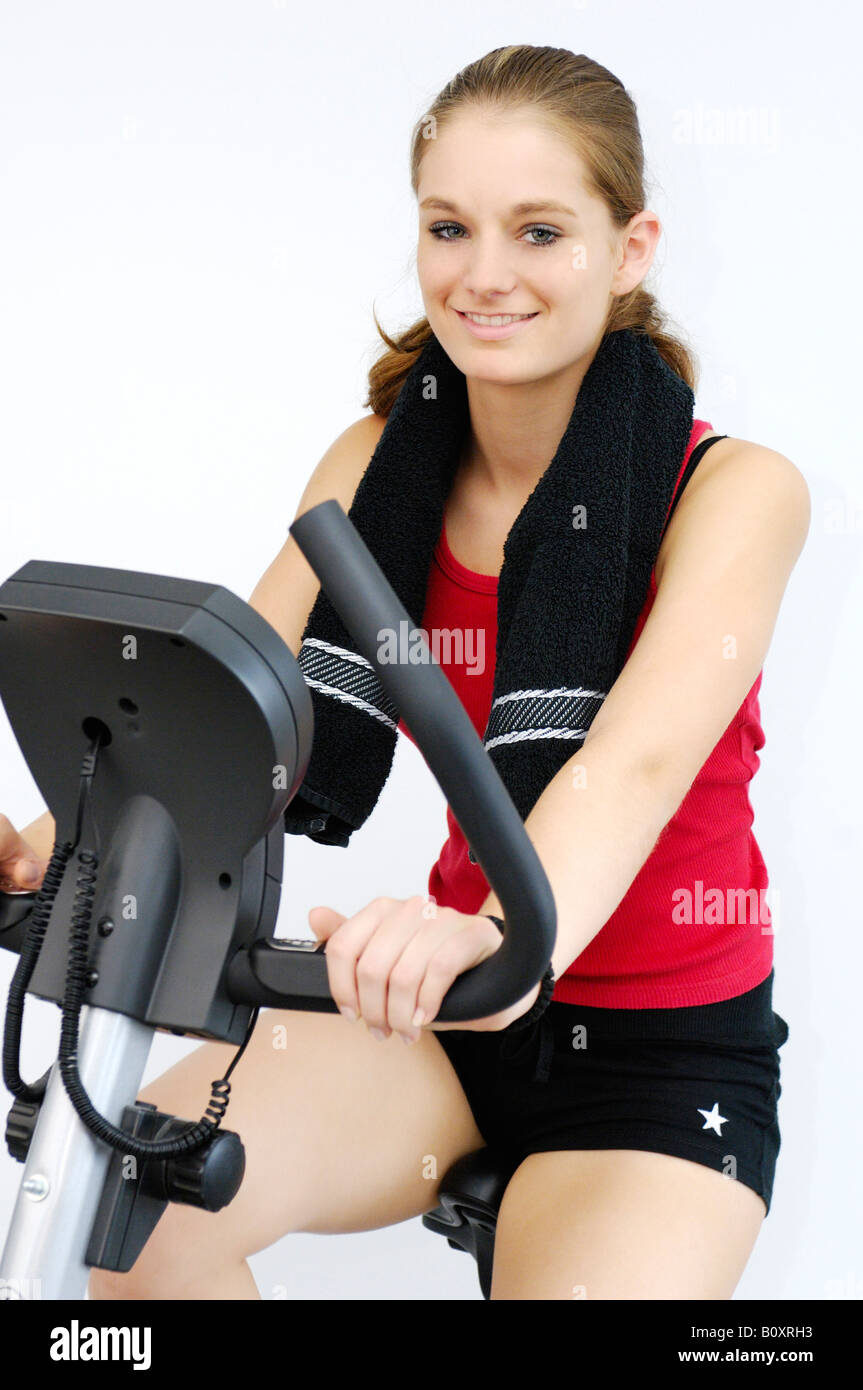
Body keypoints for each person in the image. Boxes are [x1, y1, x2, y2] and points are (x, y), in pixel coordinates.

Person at [1, 44, 809, 1300]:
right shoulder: (374, 466)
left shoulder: (732, 490)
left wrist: (499, 935)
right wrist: (71, 839)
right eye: (449, 227)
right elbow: (231, 710)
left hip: (656, 1055)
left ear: (631, 247)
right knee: (134, 1201)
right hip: (440, 1022)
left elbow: (633, 766)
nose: (484, 275)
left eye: (539, 231)